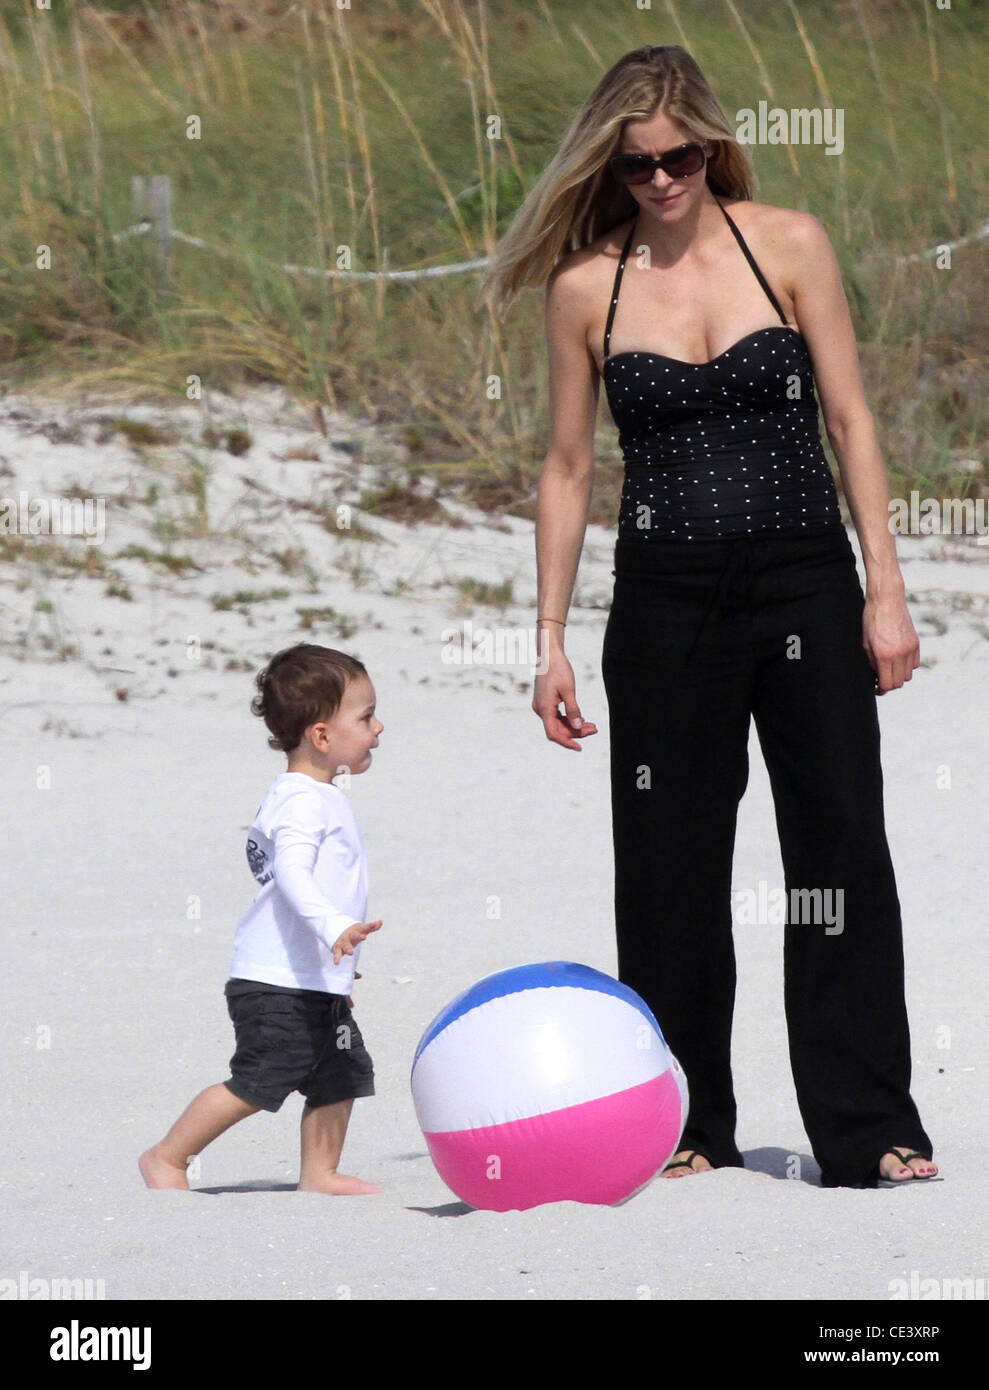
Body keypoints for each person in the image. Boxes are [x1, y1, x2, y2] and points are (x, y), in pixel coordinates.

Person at [484, 45, 938, 1190]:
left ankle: (866, 1126)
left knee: (835, 847)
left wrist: (882, 586)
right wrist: (544, 637)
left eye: (678, 156)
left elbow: (851, 419)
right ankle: (684, 1122)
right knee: (667, 863)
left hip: (800, 580)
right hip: (664, 601)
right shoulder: (587, 284)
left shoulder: (785, 243)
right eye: (636, 165)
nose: (660, 180)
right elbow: (568, 464)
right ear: (611, 162)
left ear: (710, 143)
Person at [139, 643, 385, 1195]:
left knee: (342, 1070)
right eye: (366, 717)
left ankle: (319, 1174)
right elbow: (294, 877)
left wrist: (334, 969)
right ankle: (167, 1157)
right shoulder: (303, 802)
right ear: (321, 736)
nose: (379, 727)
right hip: (272, 982)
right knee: (262, 1078)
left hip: (308, 975)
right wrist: (332, 930)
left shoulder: (316, 794)